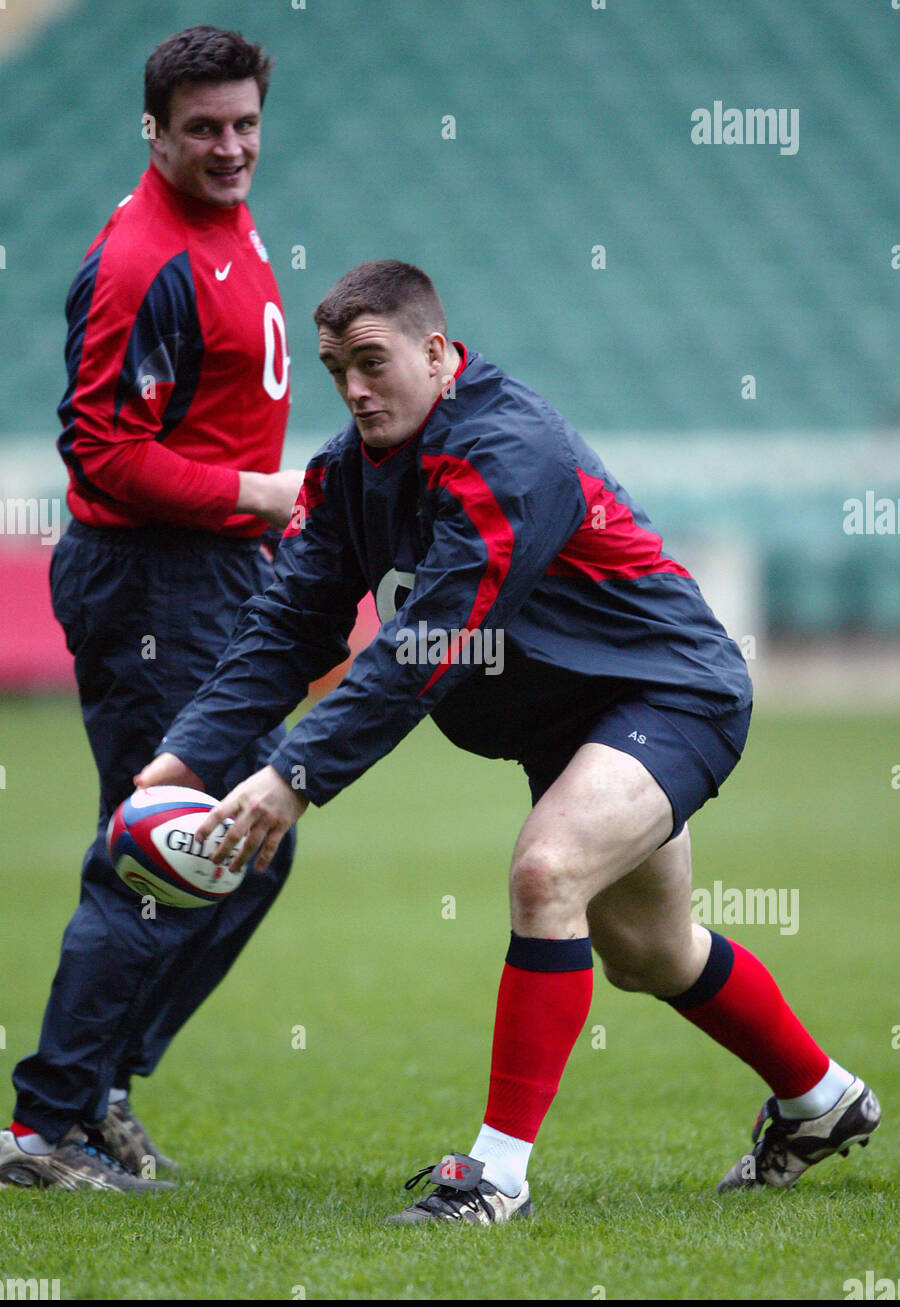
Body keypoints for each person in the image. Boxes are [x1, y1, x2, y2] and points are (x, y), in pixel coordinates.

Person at [138, 259, 880, 1222]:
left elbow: (425, 644)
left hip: (672, 692)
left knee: (547, 872)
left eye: (374, 360)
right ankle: (822, 1102)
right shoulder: (343, 472)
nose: (356, 388)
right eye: (337, 370)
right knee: (648, 953)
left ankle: (495, 1178)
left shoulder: (507, 451)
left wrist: (293, 775)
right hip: (569, 729)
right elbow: (286, 625)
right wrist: (178, 763)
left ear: (438, 352)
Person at [0, 27, 304, 1193]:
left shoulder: (228, 224)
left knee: (248, 847)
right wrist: (260, 492)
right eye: (203, 129)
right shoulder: (141, 259)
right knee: (158, 849)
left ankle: (95, 1091)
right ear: (153, 129)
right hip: (149, 580)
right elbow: (99, 451)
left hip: (214, 577)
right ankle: (44, 1129)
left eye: (245, 125)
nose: (231, 148)